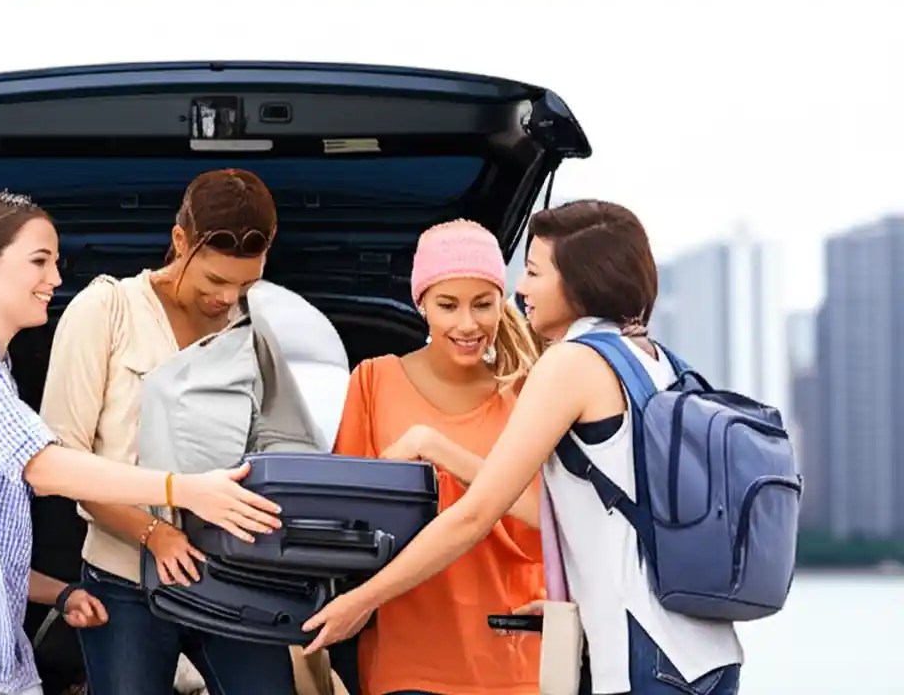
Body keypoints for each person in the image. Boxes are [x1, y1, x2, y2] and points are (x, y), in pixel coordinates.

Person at [302, 201, 744, 695]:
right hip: (703, 650)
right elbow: (607, 514)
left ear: (578, 281)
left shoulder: (569, 365)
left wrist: (360, 601)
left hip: (644, 652)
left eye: (533, 272)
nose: (523, 289)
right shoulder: (659, 363)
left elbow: (477, 514)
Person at [0, 191, 283, 695]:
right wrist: (184, 490)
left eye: (55, 263)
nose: (56, 279)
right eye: (39, 261)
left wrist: (60, 594)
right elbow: (45, 466)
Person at [40, 169, 305, 695]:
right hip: (124, 581)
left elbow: (284, 452)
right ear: (180, 241)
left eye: (245, 284)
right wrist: (153, 534)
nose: (228, 297)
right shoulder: (107, 310)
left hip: (239, 579)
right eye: (214, 281)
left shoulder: (261, 332)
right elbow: (63, 461)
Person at [326, 219, 544, 695]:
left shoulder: (527, 391)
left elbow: (547, 519)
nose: (467, 324)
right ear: (420, 302)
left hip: (515, 655)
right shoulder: (373, 381)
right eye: (448, 305)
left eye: (483, 304)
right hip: (406, 655)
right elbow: (349, 526)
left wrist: (437, 447)